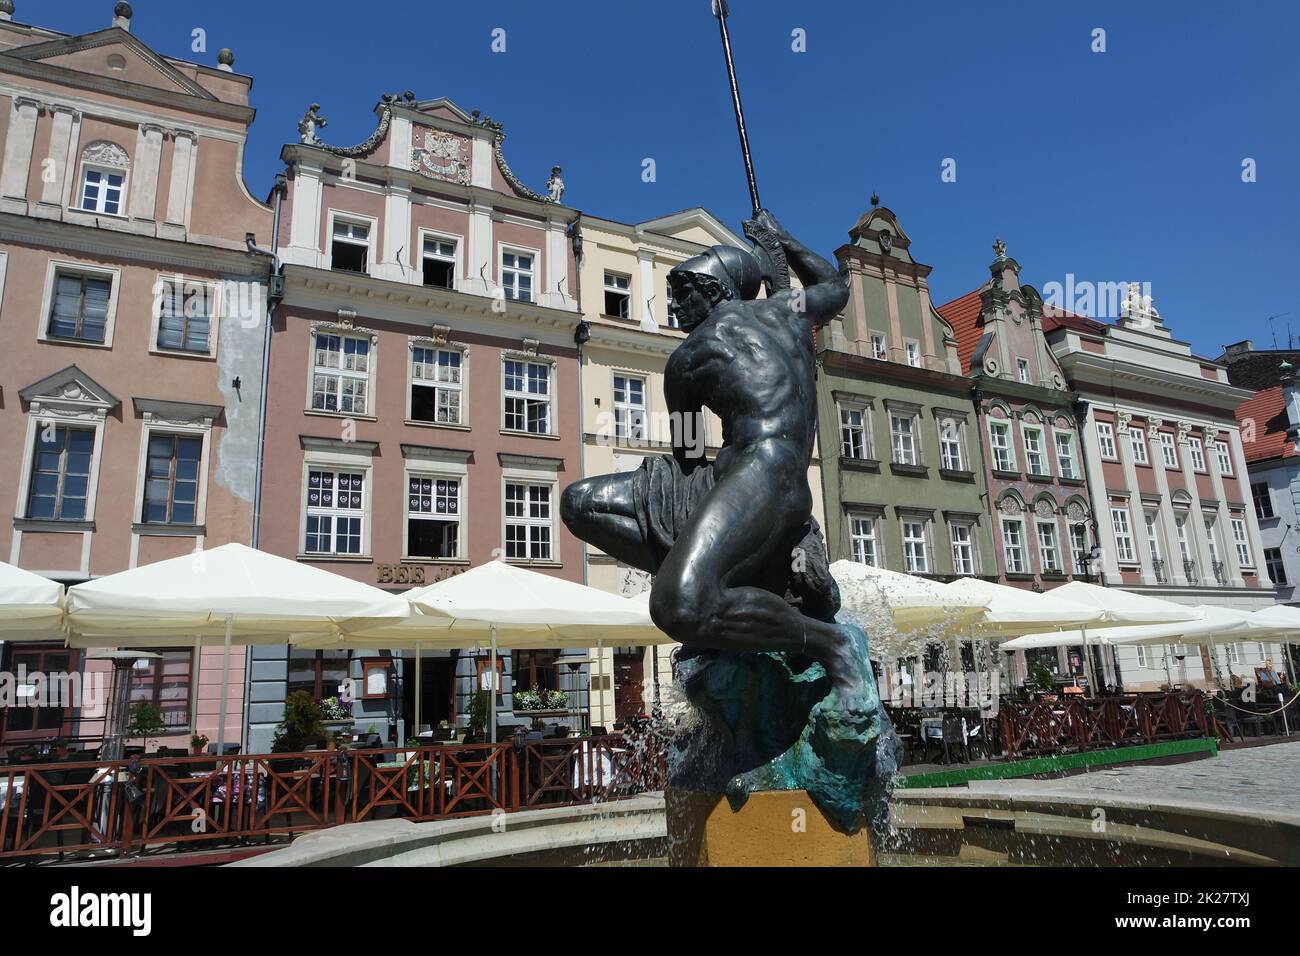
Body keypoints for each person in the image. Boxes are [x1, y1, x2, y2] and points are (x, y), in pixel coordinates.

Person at [562, 210, 865, 702]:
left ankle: (828, 643)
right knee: (578, 502)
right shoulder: (787, 309)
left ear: (717, 287)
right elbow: (834, 284)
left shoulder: (693, 357)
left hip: (766, 477)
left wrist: (775, 246)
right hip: (736, 476)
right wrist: (783, 240)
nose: (675, 304)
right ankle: (745, 576)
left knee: (679, 604)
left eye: (685, 290)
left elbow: (684, 447)